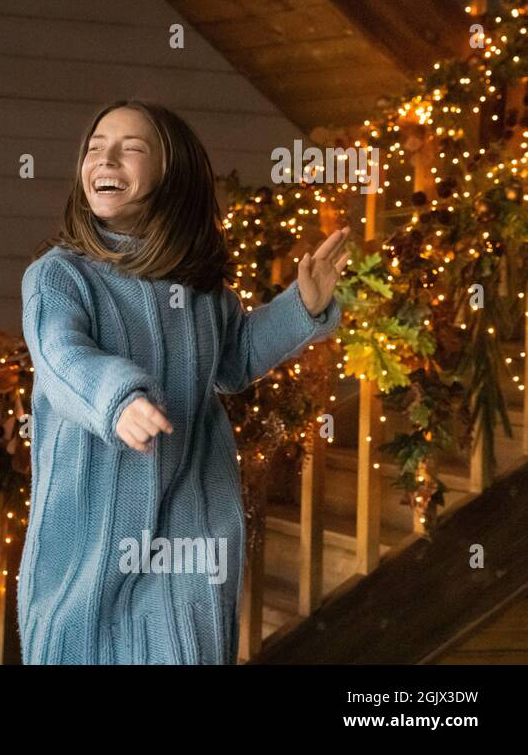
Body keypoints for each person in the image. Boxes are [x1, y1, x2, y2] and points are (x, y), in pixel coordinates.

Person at [17, 100, 349, 664]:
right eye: (97, 147)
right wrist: (117, 399)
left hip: (189, 525)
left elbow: (235, 358)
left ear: (173, 175)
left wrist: (302, 308)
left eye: (131, 148)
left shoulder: (196, 286)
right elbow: (59, 355)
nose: (107, 158)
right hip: (86, 540)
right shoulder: (58, 276)